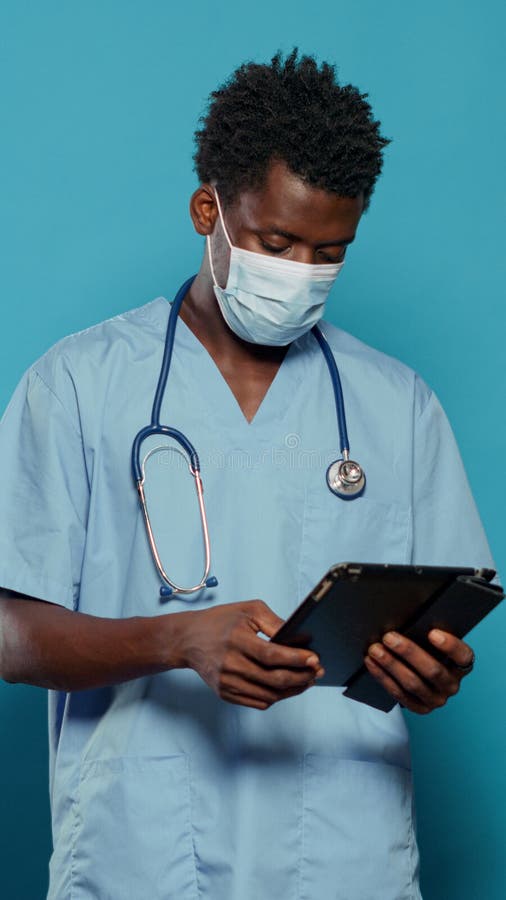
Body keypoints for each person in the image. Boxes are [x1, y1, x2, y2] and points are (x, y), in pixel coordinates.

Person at [0, 50, 492, 900]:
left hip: (343, 853)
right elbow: (11, 637)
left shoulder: (397, 404)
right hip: (140, 853)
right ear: (210, 211)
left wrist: (432, 673)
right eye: (276, 243)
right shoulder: (77, 385)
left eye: (329, 252)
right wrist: (175, 639)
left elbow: (445, 615)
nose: (301, 273)